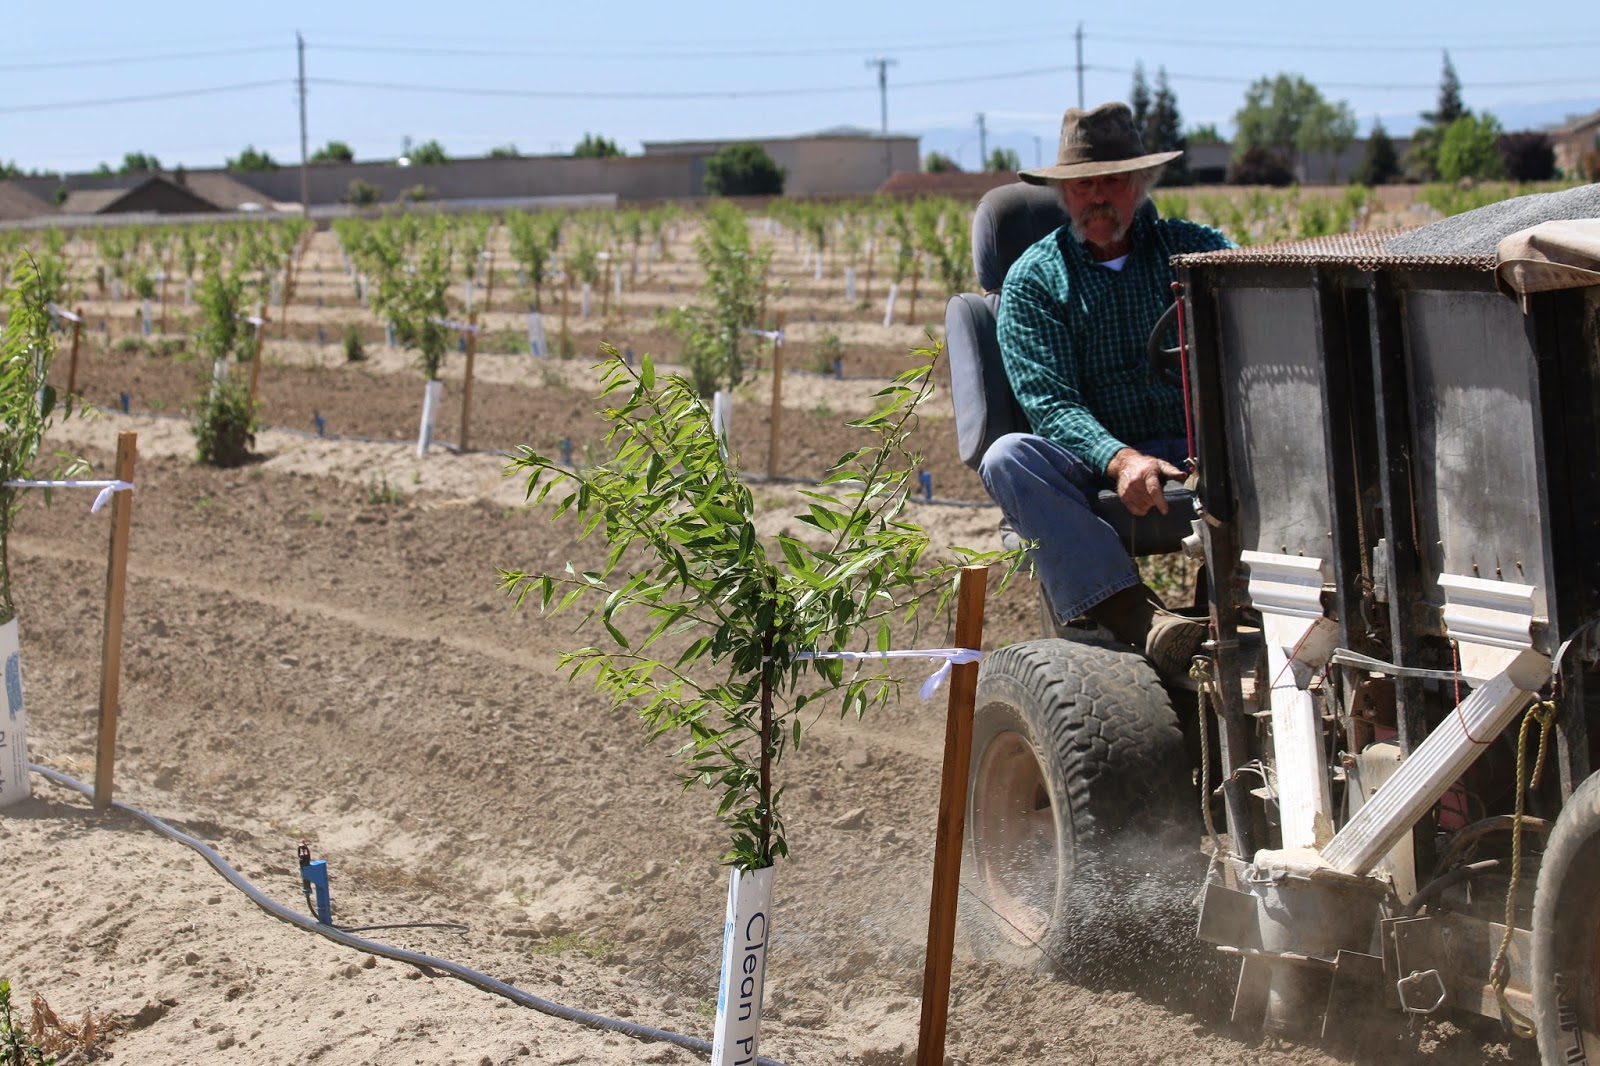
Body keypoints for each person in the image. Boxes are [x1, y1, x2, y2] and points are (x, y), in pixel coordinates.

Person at [979, 101, 1233, 677]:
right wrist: (1120, 459)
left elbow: (1254, 335)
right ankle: (1136, 617)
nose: (1097, 195)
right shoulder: (1034, 279)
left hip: (1200, 446)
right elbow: (1049, 401)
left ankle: (1259, 600)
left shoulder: (1196, 252)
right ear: (1063, 194)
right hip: (1093, 459)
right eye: (1082, 183)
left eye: (1112, 180)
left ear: (1141, 183)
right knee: (1009, 456)